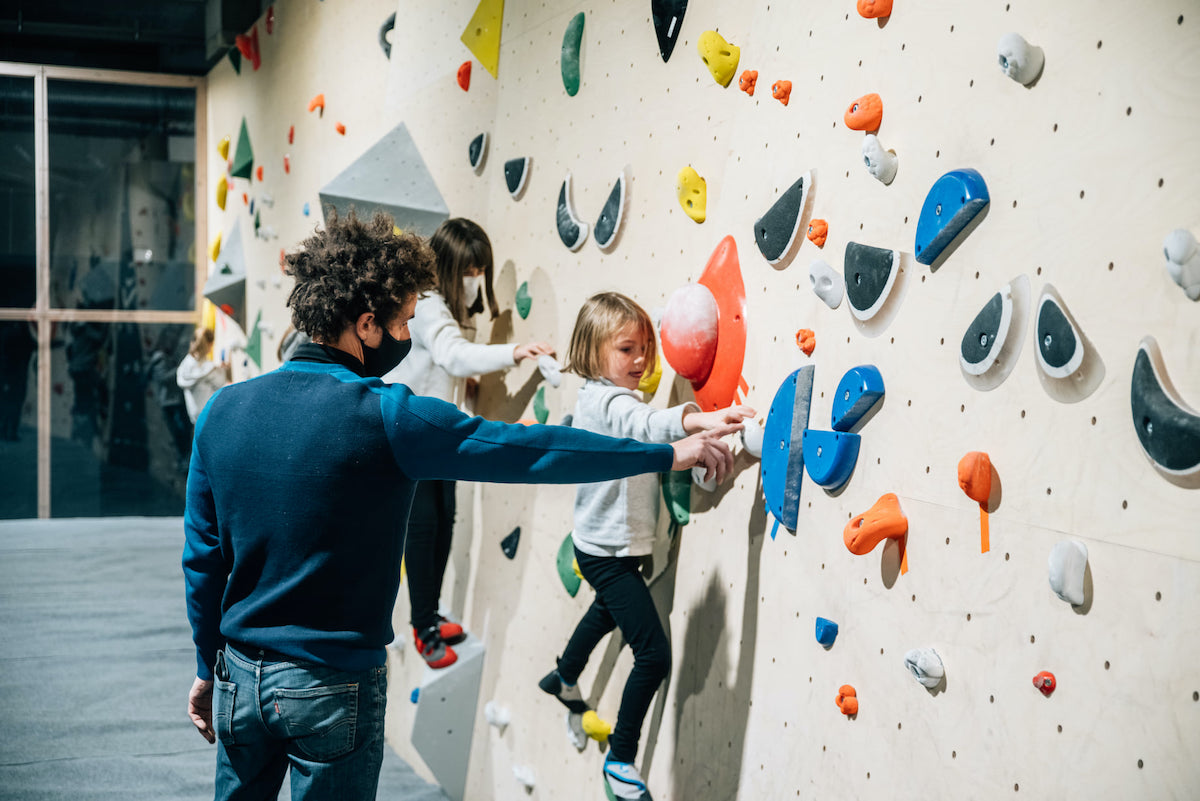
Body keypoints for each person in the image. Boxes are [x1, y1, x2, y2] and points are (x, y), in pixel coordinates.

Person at [183, 210, 739, 801]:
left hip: (237, 678)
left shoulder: (222, 412)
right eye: (401, 324)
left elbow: (203, 558)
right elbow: (531, 449)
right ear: (365, 324)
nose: (405, 338)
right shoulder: (388, 415)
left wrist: (204, 664)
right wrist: (665, 454)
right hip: (332, 687)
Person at [538, 292, 753, 801]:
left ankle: (563, 676)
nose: (640, 361)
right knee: (653, 656)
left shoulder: (604, 397)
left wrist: (694, 420)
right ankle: (620, 758)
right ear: (593, 353)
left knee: (607, 613)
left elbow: (642, 421)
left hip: (608, 548)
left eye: (645, 349)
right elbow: (643, 426)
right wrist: (695, 422)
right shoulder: (608, 401)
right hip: (607, 553)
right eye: (626, 350)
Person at [384, 217, 554, 669]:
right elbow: (452, 355)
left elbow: (446, 364)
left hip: (435, 435)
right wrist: (515, 352)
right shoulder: (429, 304)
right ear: (450, 266)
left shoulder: (445, 309)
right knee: (424, 532)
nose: (477, 280)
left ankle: (429, 617)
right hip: (413, 437)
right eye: (471, 270)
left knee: (444, 523)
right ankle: (422, 628)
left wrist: (466, 389)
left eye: (482, 271)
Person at [176, 327, 230, 424]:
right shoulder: (208, 368)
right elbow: (220, 382)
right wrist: (223, 370)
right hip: (210, 416)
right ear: (209, 344)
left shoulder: (185, 365)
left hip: (195, 418)